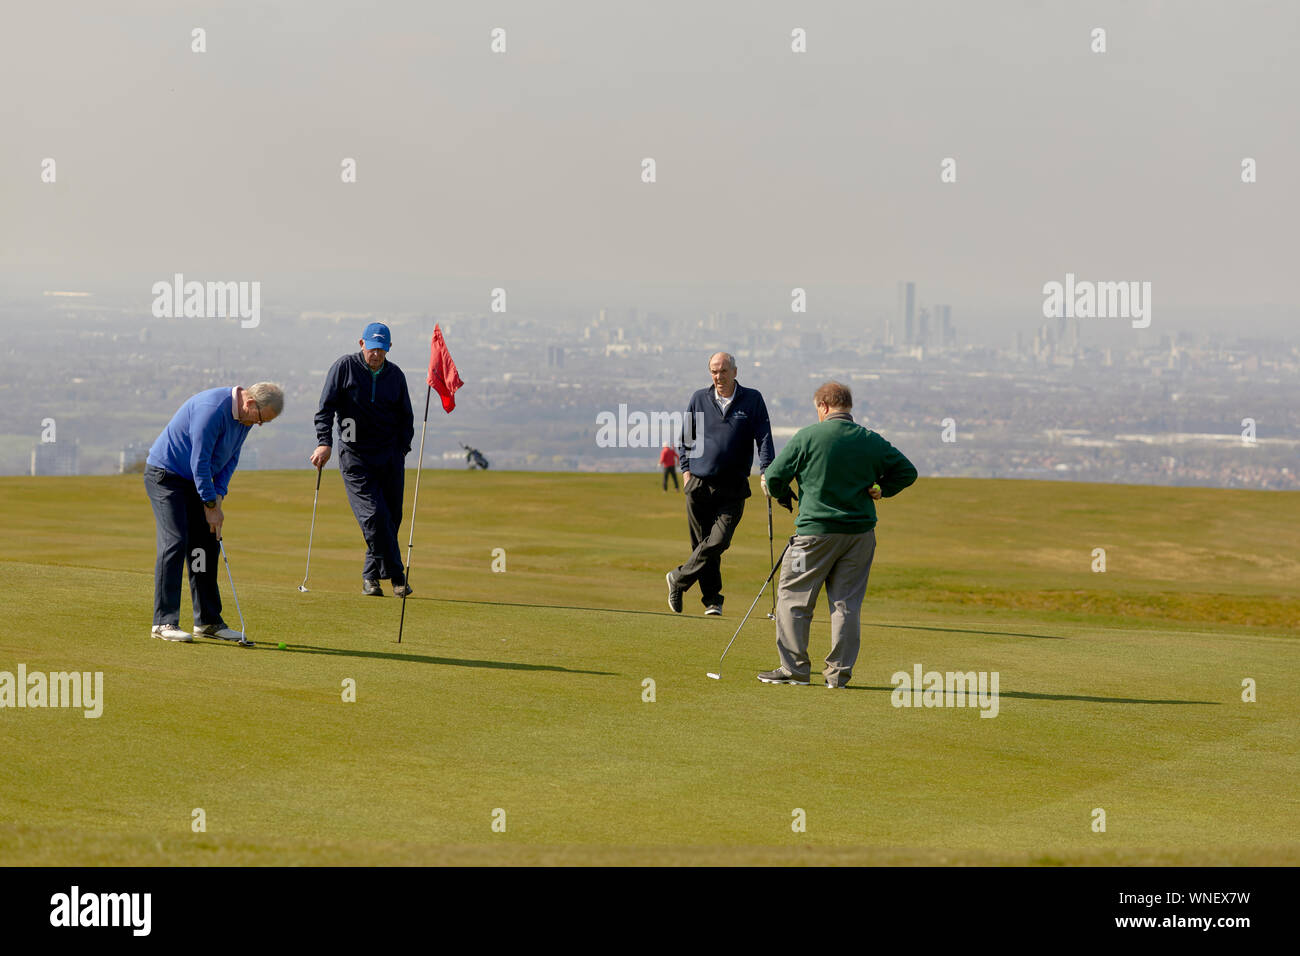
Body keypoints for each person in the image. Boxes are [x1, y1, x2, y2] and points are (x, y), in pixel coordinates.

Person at [757, 381, 916, 688]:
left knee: (794, 598)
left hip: (812, 538)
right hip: (859, 537)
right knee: (846, 605)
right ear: (848, 406)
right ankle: (838, 675)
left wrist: (781, 494)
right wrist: (882, 489)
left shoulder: (807, 436)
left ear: (824, 406)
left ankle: (794, 670)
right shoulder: (870, 439)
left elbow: (774, 476)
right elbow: (907, 471)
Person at [144, 383, 284, 643]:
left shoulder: (245, 420)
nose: (260, 425)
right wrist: (209, 505)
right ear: (250, 403)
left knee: (206, 544)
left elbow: (230, 460)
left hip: (196, 481)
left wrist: (217, 500)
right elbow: (200, 461)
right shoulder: (212, 410)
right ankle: (163, 622)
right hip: (166, 477)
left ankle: (207, 621)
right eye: (262, 419)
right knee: (175, 541)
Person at [311, 323, 415, 597]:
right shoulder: (344, 367)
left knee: (391, 518)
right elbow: (325, 408)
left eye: (382, 349)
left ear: (389, 348)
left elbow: (406, 416)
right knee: (374, 516)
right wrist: (325, 442)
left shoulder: (395, 375)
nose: (376, 354)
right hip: (354, 454)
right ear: (361, 344)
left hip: (390, 455)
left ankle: (370, 577)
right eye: (372, 348)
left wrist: (401, 448)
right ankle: (397, 576)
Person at [666, 351, 774, 616]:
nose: (718, 376)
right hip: (699, 484)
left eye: (723, 371)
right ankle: (712, 600)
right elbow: (685, 439)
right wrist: (686, 472)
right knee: (702, 544)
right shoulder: (699, 398)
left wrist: (766, 471)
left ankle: (678, 579)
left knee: (719, 540)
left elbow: (764, 437)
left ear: (735, 372)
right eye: (714, 371)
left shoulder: (752, 399)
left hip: (733, 486)